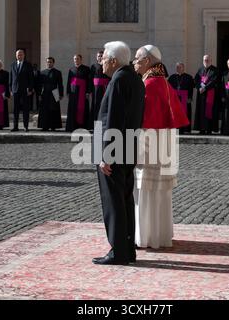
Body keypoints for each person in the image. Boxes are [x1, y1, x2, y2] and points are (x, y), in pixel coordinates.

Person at [93, 41, 145, 265]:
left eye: (104, 58)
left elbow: (112, 119)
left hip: (115, 150)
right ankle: (127, 248)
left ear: (114, 60)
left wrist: (105, 154)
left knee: (114, 200)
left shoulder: (118, 80)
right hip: (129, 146)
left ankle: (118, 251)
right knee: (125, 199)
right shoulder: (135, 78)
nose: (101, 61)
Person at [133, 45, 190, 249]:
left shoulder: (148, 85)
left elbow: (140, 120)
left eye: (138, 58)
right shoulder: (164, 83)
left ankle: (145, 236)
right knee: (160, 192)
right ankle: (161, 235)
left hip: (149, 144)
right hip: (163, 144)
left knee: (146, 189)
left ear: (148, 61)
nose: (134, 62)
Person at [194, 55, 220, 135]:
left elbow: (214, 80)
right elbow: (196, 79)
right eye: (205, 60)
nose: (206, 61)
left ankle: (209, 129)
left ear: (211, 61)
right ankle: (202, 129)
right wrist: (199, 87)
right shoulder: (200, 69)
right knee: (201, 112)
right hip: (201, 95)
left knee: (209, 112)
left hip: (210, 94)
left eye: (208, 60)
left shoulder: (215, 70)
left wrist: (205, 88)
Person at [10, 49, 34, 132]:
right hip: (15, 90)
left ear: (24, 55)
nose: (19, 56)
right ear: (16, 56)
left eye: (21, 54)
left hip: (25, 90)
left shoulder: (28, 65)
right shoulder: (13, 65)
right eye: (18, 54)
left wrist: (30, 89)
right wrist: (10, 89)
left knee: (25, 109)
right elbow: (11, 78)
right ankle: (15, 126)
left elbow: (31, 78)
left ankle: (25, 126)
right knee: (15, 109)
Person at [66, 54, 91, 132]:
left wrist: (88, 91)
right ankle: (72, 126)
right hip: (73, 92)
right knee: (73, 108)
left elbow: (89, 81)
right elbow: (69, 81)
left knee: (82, 109)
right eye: (74, 59)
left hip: (82, 92)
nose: (76, 60)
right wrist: (68, 91)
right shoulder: (71, 69)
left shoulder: (86, 69)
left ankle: (82, 126)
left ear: (81, 59)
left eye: (77, 59)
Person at [38, 57, 64, 131]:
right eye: (48, 62)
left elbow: (60, 84)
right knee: (44, 110)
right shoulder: (42, 72)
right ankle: (44, 126)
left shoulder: (58, 72)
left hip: (55, 92)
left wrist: (61, 94)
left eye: (50, 62)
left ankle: (53, 126)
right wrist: (39, 94)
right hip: (45, 92)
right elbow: (39, 84)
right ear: (46, 63)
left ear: (53, 63)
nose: (49, 63)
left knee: (54, 109)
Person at [168, 62, 194, 134]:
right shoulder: (172, 77)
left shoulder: (188, 77)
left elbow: (191, 88)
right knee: (175, 113)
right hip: (175, 99)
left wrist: (190, 97)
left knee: (185, 114)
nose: (178, 69)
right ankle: (176, 128)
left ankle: (185, 129)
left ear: (183, 68)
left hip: (185, 98)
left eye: (180, 67)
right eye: (177, 67)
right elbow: (168, 88)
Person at [89, 51, 110, 130]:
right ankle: (94, 125)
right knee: (95, 105)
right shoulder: (93, 66)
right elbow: (90, 79)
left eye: (101, 56)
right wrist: (89, 90)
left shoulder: (107, 65)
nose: (100, 57)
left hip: (104, 88)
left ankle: (103, 124)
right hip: (96, 89)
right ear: (96, 57)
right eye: (98, 56)